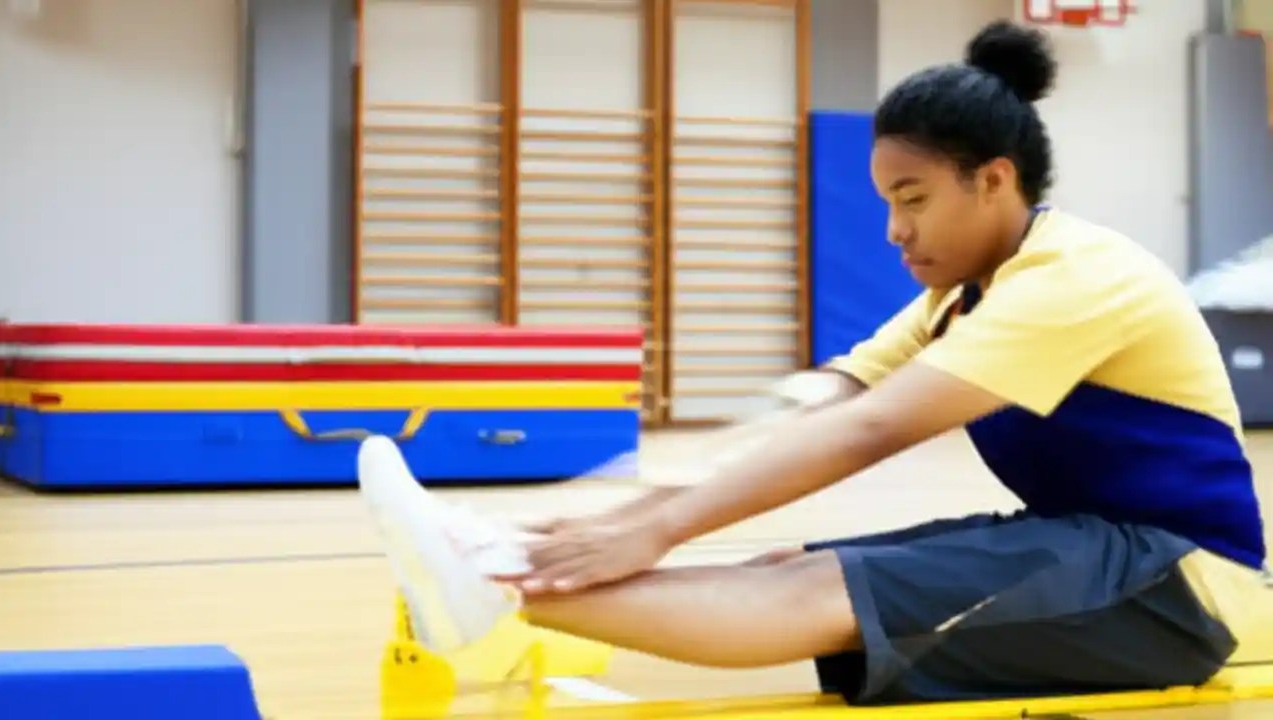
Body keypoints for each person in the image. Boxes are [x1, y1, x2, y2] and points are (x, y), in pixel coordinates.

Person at [357, 20, 1272, 706]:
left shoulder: (1077, 275)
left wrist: (661, 528)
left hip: (1180, 587)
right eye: (885, 200)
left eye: (913, 198)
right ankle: (493, 571)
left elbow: (872, 428)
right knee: (785, 562)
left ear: (993, 179)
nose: (894, 230)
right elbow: (834, 397)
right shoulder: (963, 297)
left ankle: (480, 581)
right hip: (1102, 548)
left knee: (820, 588)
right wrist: (642, 503)